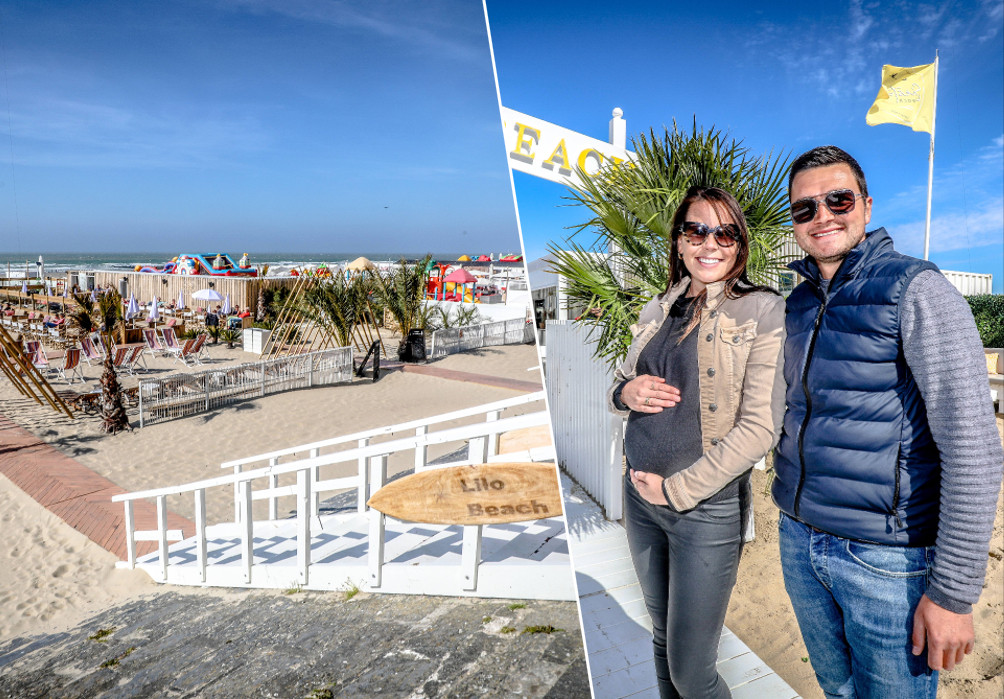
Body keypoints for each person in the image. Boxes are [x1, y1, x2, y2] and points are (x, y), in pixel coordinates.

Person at [772, 145, 1003, 698]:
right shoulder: (800, 302)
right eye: (804, 208)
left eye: (838, 199)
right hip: (800, 540)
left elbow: (972, 444)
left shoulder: (916, 289)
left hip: (885, 559)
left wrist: (951, 593)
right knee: (838, 692)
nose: (822, 215)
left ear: (867, 206)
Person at [608, 186, 786, 698]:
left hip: (703, 509)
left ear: (740, 244)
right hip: (639, 498)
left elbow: (759, 428)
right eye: (696, 230)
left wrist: (676, 491)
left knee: (692, 671)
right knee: (663, 644)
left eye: (725, 232)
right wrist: (626, 391)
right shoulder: (656, 309)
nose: (710, 243)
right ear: (680, 241)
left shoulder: (761, 310)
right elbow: (616, 389)